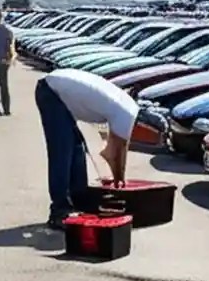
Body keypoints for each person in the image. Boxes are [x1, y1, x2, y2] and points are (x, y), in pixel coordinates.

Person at [34, 69, 138, 229]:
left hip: (57, 86)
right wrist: (119, 180)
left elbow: (113, 152)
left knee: (77, 147)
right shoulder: (127, 115)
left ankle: (78, 199)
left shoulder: (126, 106)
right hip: (52, 93)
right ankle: (59, 210)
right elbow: (113, 154)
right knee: (62, 151)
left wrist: (117, 179)